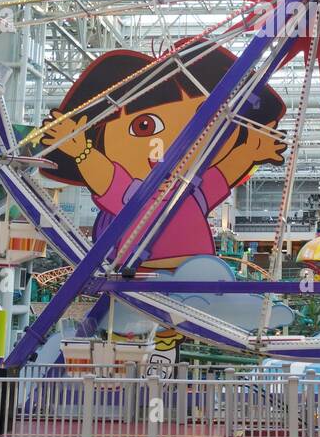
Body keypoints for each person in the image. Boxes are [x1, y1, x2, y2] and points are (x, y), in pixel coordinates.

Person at [42, 39, 286, 269]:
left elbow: (224, 172)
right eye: (143, 127)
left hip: (199, 274)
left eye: (201, 121)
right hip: (143, 273)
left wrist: (250, 152)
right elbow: (105, 178)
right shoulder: (135, 193)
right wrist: (83, 152)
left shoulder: (193, 190)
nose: (169, 145)